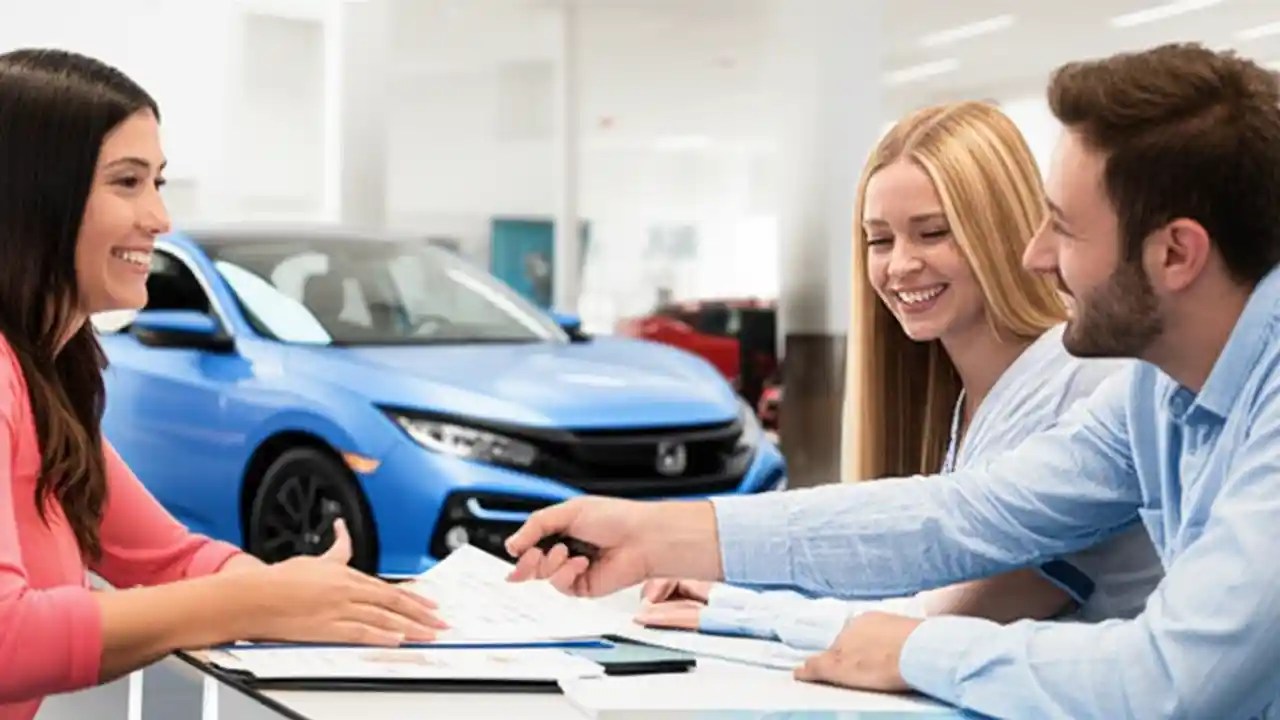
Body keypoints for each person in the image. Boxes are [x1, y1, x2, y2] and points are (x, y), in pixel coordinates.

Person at [506, 42, 1280, 719]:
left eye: (1065, 229)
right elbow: (960, 516)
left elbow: (1171, 683)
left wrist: (912, 651)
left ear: (1176, 254)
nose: (1036, 256)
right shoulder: (1157, 390)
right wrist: (654, 535)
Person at [0, 49, 445, 720]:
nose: (159, 218)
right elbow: (7, 642)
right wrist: (254, 601)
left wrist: (299, 590)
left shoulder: (48, 379)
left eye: (158, 182)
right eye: (127, 182)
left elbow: (168, 558)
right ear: (36, 196)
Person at [635, 102, 1161, 650]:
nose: (900, 265)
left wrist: (734, 605)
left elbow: (943, 618)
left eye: (932, 233)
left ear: (1006, 233)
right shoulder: (972, 401)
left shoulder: (1082, 382)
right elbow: (909, 575)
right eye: (880, 241)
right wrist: (728, 589)